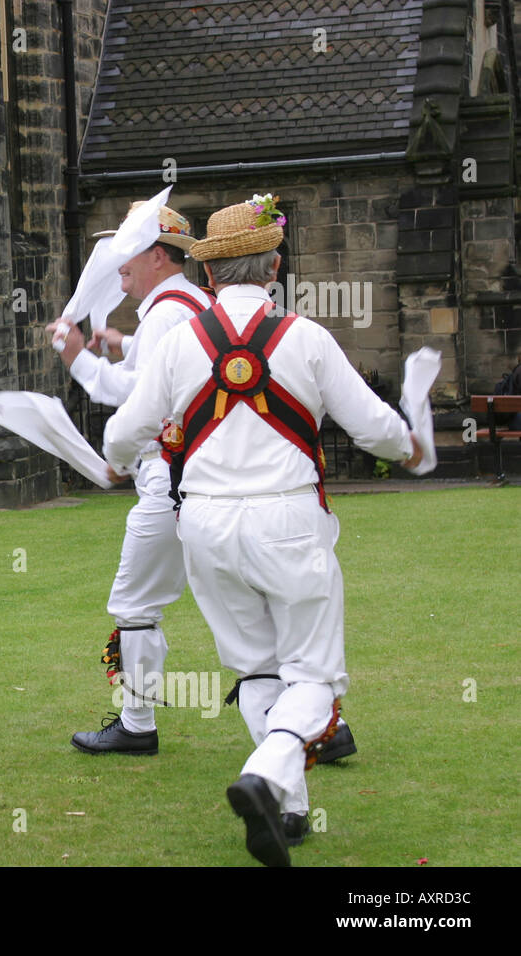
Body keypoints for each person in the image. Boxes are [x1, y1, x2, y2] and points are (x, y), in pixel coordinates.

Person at [101, 194, 421, 866]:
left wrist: (118, 459)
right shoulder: (305, 337)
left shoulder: (179, 341)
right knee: (313, 677)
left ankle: (290, 810)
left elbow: (121, 432)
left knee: (255, 670)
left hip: (206, 525)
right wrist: (411, 447)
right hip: (288, 519)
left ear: (210, 277)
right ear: (273, 269)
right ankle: (269, 770)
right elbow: (374, 428)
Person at [46, 203, 213, 756]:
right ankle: (322, 725)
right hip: (209, 475)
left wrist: (77, 357)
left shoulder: (166, 313)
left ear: (158, 256)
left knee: (136, 604)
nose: (116, 267)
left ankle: (137, 725)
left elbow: (133, 399)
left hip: (172, 479)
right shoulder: (192, 304)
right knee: (260, 603)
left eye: (127, 256)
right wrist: (122, 347)